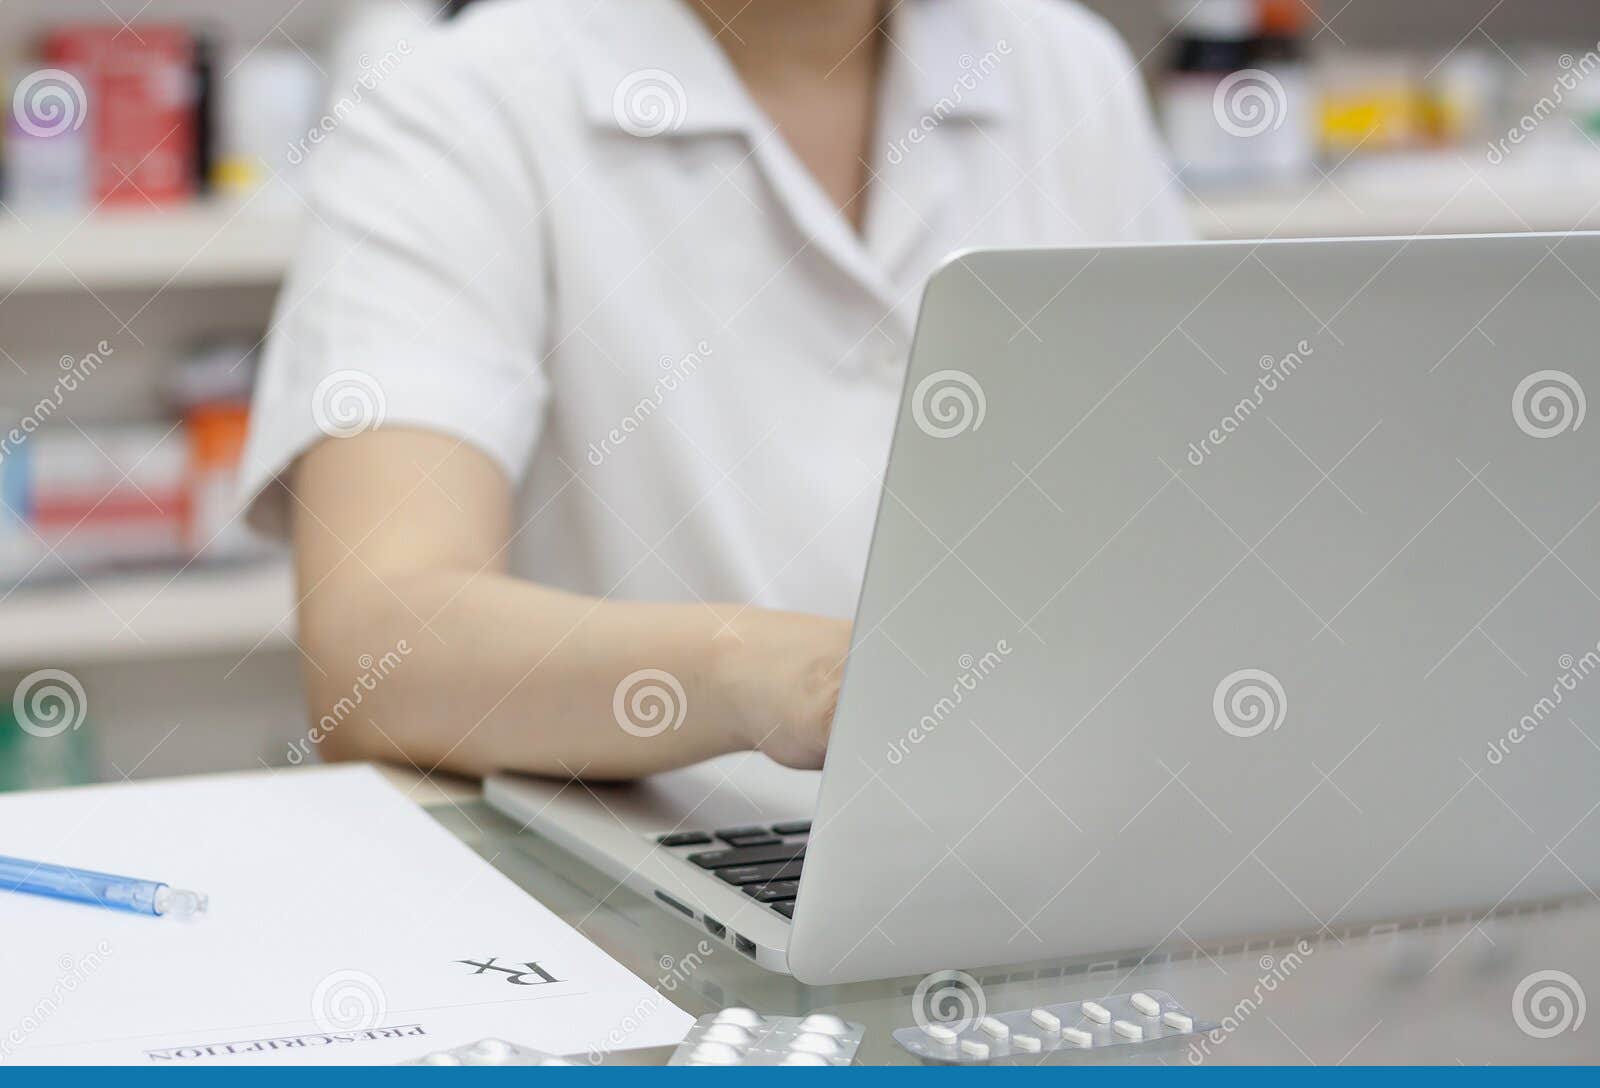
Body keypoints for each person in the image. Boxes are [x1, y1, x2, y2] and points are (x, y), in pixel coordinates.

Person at [238, 0, 1187, 780]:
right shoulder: (457, 103)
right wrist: (775, 675)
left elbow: (1185, 507)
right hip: (641, 880)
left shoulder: (1066, 69)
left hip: (1054, 837)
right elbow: (380, 646)